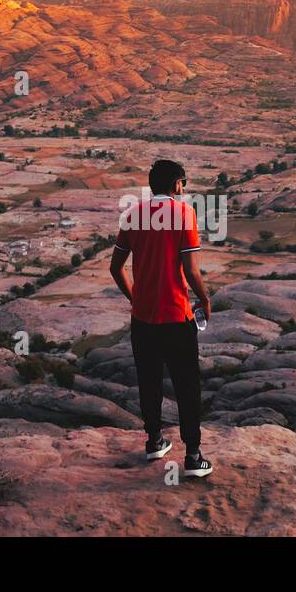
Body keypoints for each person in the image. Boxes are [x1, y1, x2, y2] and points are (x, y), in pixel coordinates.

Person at [109, 159, 214, 477]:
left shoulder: (132, 215)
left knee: (149, 380)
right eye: (183, 184)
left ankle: (154, 441)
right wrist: (206, 299)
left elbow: (116, 268)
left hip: (143, 319)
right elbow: (190, 270)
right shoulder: (184, 214)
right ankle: (193, 457)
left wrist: (136, 297)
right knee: (186, 386)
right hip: (176, 315)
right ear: (177, 185)